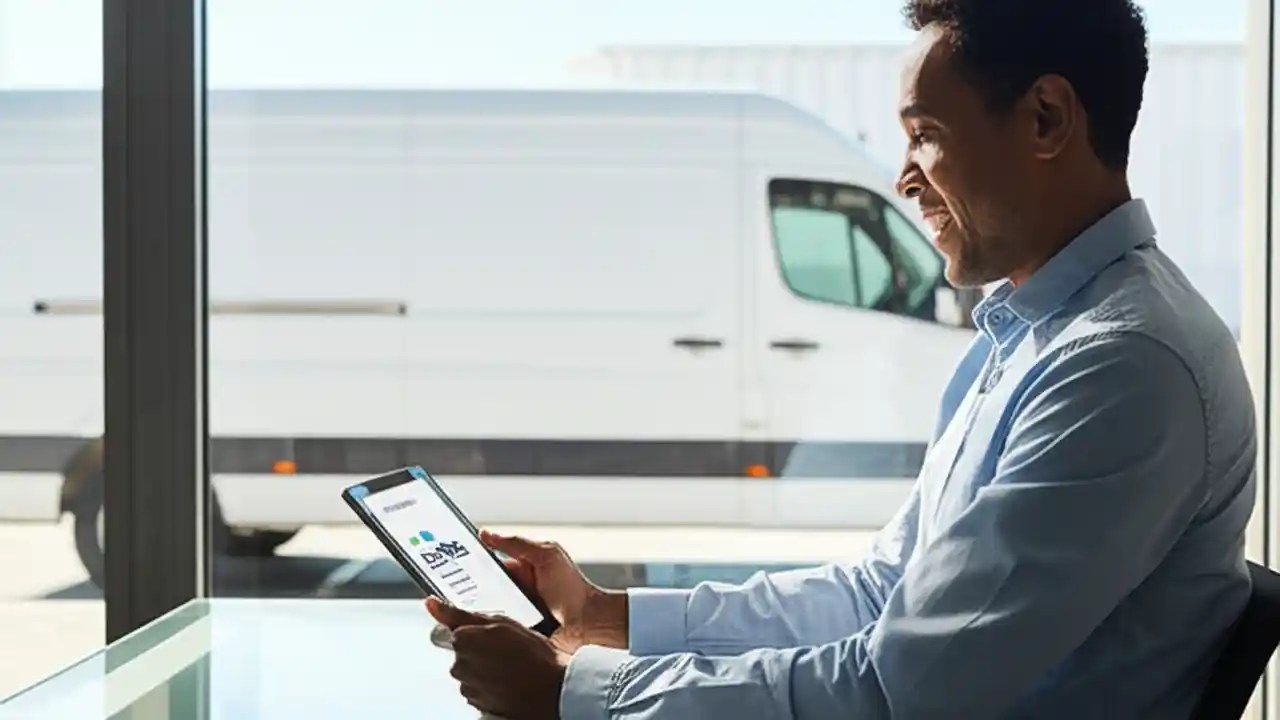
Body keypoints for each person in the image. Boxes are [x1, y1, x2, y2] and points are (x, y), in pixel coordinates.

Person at [427, 0, 1258, 716]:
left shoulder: (1121, 367)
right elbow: (878, 595)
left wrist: (573, 694)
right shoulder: (1035, 337)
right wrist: (606, 617)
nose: (904, 177)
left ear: (1045, 119)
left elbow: (897, 693)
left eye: (925, 136)